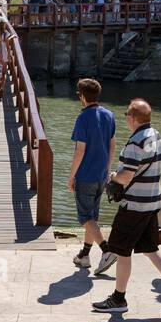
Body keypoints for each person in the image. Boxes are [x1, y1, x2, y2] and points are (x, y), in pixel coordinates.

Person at [91, 98, 161, 317]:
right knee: (151, 250)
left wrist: (112, 177)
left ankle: (118, 299)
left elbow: (126, 176)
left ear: (134, 118)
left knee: (120, 250)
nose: (126, 118)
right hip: (151, 202)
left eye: (127, 115)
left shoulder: (135, 142)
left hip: (134, 206)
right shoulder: (156, 135)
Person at [68, 77, 117, 271]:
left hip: (86, 175)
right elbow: (112, 145)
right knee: (92, 218)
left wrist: (72, 176)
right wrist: (107, 169)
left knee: (85, 217)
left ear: (82, 97)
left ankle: (107, 250)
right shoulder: (109, 115)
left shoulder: (83, 118)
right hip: (101, 175)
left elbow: (80, 150)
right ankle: (85, 255)